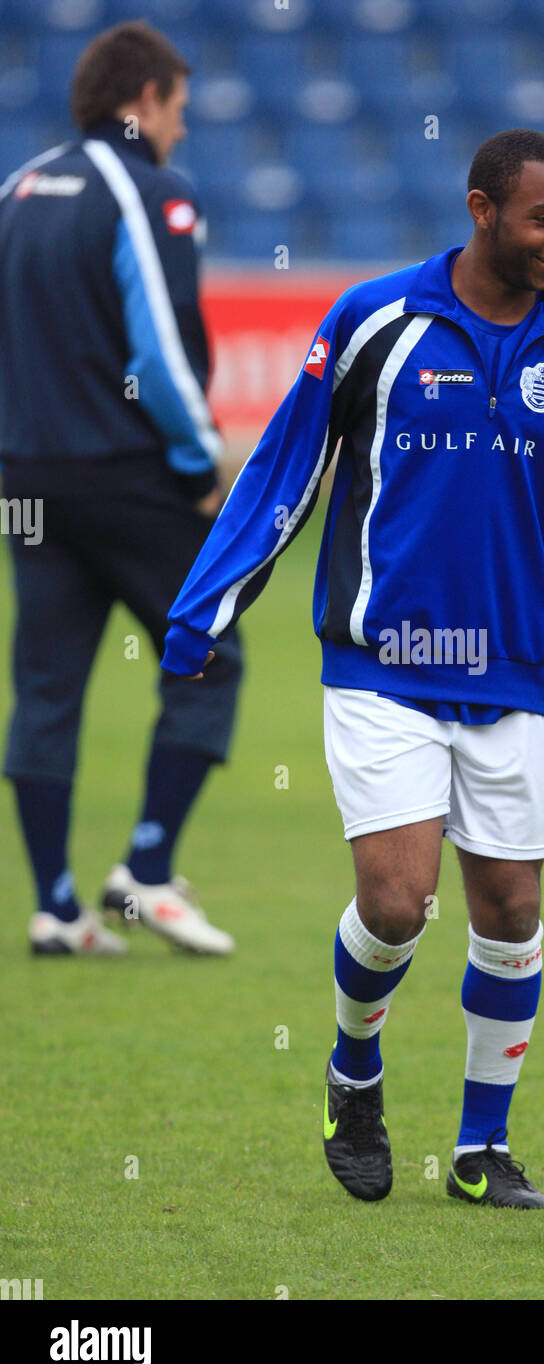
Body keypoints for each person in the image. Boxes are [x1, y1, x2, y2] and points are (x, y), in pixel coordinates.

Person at [162, 129, 544, 1205]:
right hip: (380, 664)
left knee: (509, 914)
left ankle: (480, 1154)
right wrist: (205, 609)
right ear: (481, 208)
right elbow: (286, 469)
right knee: (398, 905)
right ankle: (354, 1071)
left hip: (511, 680)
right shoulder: (376, 322)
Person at [0, 21, 241, 957]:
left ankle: (56, 906)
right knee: (208, 657)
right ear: (143, 100)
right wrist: (201, 464)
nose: (181, 128)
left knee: (46, 688)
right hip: (129, 480)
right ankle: (144, 872)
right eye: (178, 107)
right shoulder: (149, 193)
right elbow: (165, 347)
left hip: (29, 482)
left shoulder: (16, 190)